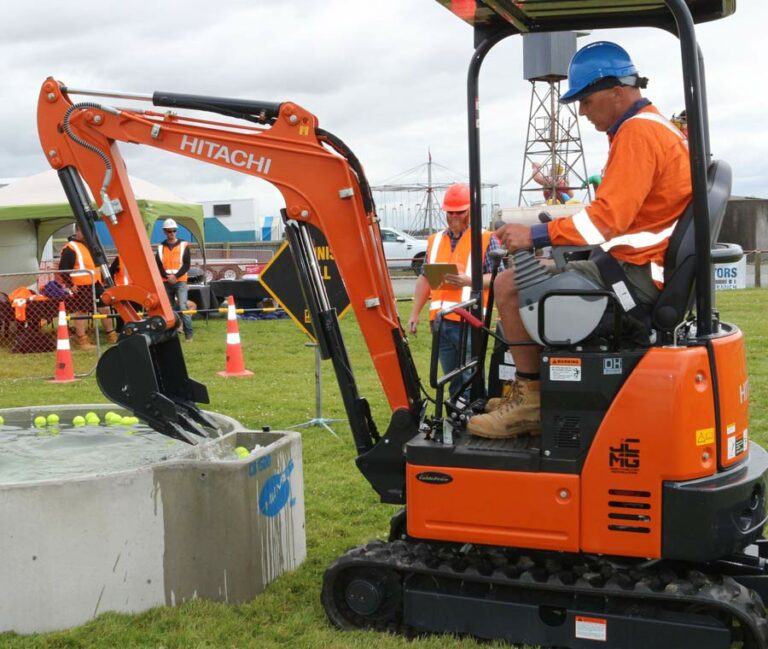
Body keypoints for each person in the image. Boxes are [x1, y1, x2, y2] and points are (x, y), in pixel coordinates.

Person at [468, 41, 692, 439]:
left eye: (586, 101)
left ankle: (531, 401)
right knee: (537, 273)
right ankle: (531, 392)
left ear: (617, 92)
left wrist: (535, 234)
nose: (583, 112)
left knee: (507, 286)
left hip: (635, 278)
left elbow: (605, 221)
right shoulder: (656, 129)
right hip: (637, 268)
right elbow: (621, 216)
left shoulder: (638, 134)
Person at [407, 183, 504, 400]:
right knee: (452, 379)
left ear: (470, 210)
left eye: (459, 212)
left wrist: (468, 281)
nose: (454, 217)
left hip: (469, 320)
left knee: (470, 377)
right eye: (450, 212)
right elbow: (425, 277)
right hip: (440, 321)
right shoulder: (435, 241)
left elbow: (499, 277)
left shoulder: (486, 239)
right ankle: (457, 414)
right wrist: (414, 314)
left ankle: (472, 412)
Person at [58, 225, 118, 349]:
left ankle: (111, 335)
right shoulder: (71, 247)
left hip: (95, 283)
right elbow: (63, 269)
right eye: (83, 231)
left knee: (105, 308)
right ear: (77, 231)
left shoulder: (91, 245)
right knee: (81, 312)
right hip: (80, 285)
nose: (86, 234)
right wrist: (70, 284)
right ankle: (81, 340)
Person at [155, 218, 194, 341]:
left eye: (174, 231)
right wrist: (167, 277)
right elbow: (158, 265)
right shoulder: (160, 247)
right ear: (164, 232)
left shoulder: (184, 245)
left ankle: (189, 335)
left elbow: (186, 264)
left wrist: (175, 277)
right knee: (169, 309)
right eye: (169, 231)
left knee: (183, 307)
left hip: (180, 281)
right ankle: (172, 336)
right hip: (166, 281)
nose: (172, 233)